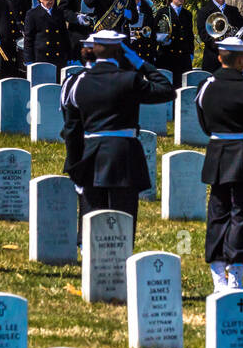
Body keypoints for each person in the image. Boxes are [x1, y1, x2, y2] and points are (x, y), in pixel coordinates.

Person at [67, 29, 175, 226]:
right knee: (123, 217)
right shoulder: (129, 80)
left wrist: (75, 168)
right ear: (120, 52)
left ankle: (87, 251)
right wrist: (140, 63)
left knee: (92, 214)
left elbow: (72, 130)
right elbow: (166, 91)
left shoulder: (78, 83)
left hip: (91, 155)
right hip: (124, 153)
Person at [196, 36, 243, 292]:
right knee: (242, 214)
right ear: (242, 60)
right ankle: (235, 270)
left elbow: (205, 122)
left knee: (217, 212)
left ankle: (218, 273)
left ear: (220, 57)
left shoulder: (206, 86)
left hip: (218, 153)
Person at [60, 35, 96, 243]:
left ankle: (83, 238)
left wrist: (72, 159)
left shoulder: (71, 82)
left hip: (80, 148)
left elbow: (68, 121)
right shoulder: (120, 78)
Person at [23, 0, 86, 69]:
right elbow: (28, 39)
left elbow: (64, 36)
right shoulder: (32, 14)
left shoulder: (59, 13)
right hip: (42, 58)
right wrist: (28, 59)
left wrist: (70, 56)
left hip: (59, 57)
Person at [196, 0, 243, 72]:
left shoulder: (233, 11)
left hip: (232, 59)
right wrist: (222, 44)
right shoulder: (204, 12)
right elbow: (204, 35)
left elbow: (242, 28)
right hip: (213, 59)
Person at [155, 0, 196, 87]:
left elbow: (189, 35)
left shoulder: (187, 14)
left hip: (183, 56)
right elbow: (156, 31)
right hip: (168, 55)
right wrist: (161, 39)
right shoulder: (163, 12)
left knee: (182, 86)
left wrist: (191, 51)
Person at [118, 0, 161, 65]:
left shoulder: (147, 8)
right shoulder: (122, 6)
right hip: (128, 52)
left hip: (145, 53)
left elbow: (152, 33)